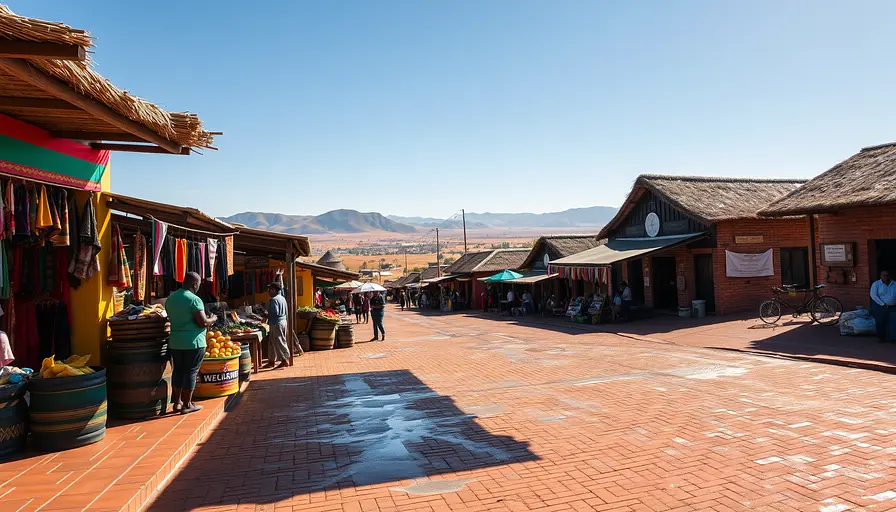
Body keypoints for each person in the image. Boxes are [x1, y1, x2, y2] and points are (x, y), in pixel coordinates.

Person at [167, 272, 217, 415]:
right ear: (195, 284)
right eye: (199, 283)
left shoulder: (171, 299)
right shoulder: (194, 300)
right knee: (190, 372)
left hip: (175, 342)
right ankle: (187, 404)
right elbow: (202, 323)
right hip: (193, 343)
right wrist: (212, 319)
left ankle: (177, 403)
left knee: (178, 371)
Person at [263, 282, 291, 369]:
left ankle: (285, 360)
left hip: (276, 323)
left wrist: (266, 314)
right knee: (272, 342)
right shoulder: (282, 298)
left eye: (270, 289)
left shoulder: (274, 300)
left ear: (274, 290)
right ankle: (271, 361)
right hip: (282, 322)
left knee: (280, 342)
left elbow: (275, 312)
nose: (268, 291)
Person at [871, 270, 896, 343]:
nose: (885, 277)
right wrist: (882, 304)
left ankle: (893, 338)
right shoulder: (876, 284)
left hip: (893, 306)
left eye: (887, 275)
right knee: (880, 322)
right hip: (880, 306)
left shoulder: (894, 284)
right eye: (883, 275)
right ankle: (881, 338)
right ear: (880, 276)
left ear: (890, 276)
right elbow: (874, 295)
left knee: (893, 322)